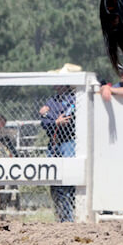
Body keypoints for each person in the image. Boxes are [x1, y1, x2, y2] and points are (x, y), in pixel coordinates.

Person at [40, 63, 79, 222]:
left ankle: (69, 216)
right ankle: (61, 215)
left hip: (68, 142)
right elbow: (45, 122)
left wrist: (50, 115)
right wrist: (55, 120)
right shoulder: (52, 100)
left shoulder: (74, 98)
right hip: (55, 144)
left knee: (69, 179)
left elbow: (68, 119)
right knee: (55, 180)